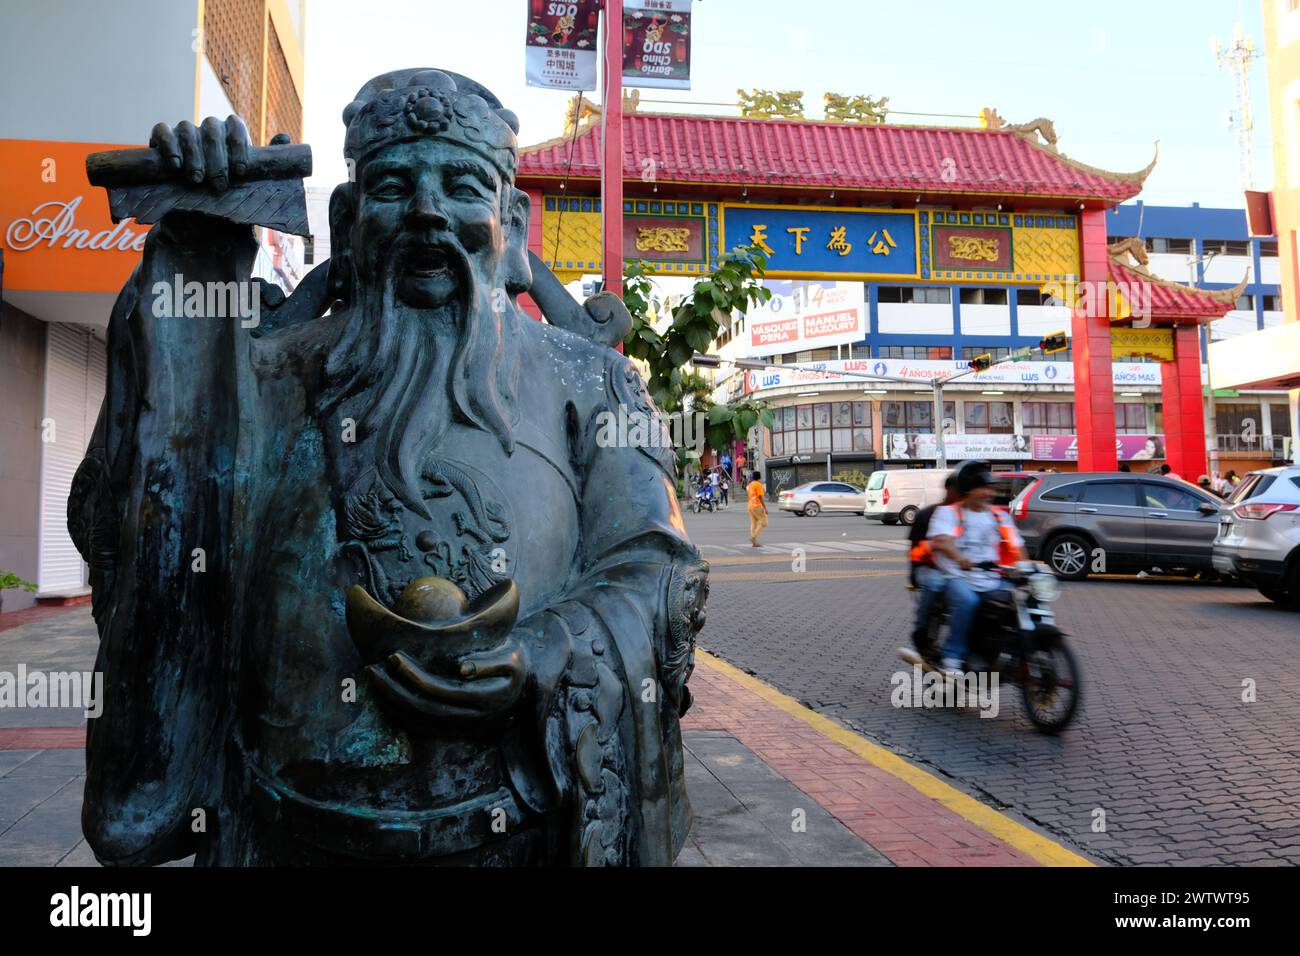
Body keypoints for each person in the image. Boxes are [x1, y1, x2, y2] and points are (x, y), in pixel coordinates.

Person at [927, 462, 1028, 680]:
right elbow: (943, 542)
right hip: (957, 576)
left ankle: (1009, 653)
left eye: (992, 489)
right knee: (968, 601)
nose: (990, 493)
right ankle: (952, 657)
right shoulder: (948, 513)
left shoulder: (999, 516)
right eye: (984, 488)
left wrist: (1028, 567)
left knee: (1021, 600)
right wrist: (960, 559)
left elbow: (1017, 545)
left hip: (992, 577)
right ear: (969, 490)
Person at [907, 473, 961, 651]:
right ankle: (922, 630)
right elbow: (915, 552)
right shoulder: (927, 514)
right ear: (949, 490)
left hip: (962, 569)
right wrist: (914, 576)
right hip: (930, 567)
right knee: (934, 582)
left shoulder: (970, 514)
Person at [747, 470, 768, 547]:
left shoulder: (750, 484)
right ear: (759, 477)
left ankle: (754, 542)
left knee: (754, 523)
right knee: (764, 522)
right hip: (756, 505)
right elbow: (760, 497)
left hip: (750, 505)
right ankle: (753, 537)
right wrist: (765, 508)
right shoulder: (759, 485)